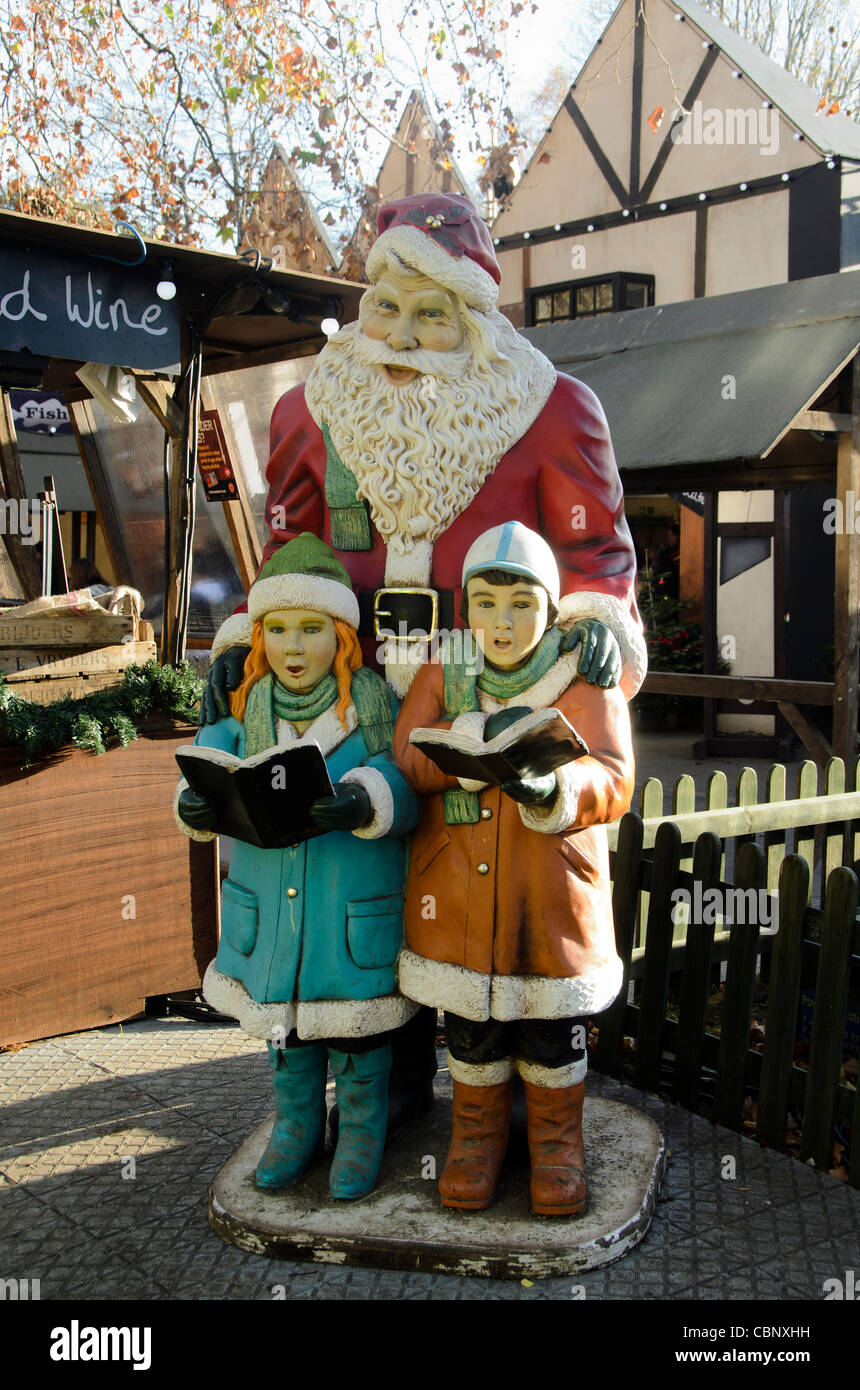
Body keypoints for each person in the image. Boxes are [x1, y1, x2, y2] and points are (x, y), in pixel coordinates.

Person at [198, 192, 647, 1134]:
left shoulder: (555, 409)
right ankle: (385, 1098)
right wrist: (250, 631)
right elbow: (291, 550)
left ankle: (516, 1107)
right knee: (362, 878)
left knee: (488, 879)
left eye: (430, 313)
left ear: (475, 316)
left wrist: (598, 619)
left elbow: (597, 554)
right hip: (352, 689)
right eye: (387, 309)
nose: (401, 335)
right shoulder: (311, 410)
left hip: (480, 682)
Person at [392, 522, 635, 1216]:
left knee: (551, 1030)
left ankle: (558, 1146)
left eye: (522, 603)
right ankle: (476, 1140)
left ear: (551, 608)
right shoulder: (446, 668)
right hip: (459, 892)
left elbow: (614, 776)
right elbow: (408, 753)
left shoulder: (584, 672)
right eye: (487, 602)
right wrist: (458, 751)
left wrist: (555, 788)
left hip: (547, 890)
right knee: (471, 1026)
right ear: (465, 608)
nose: (503, 621)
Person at [175, 533, 417, 1200]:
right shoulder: (244, 710)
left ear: (340, 637)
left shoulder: (368, 707)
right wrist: (196, 801)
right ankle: (295, 1125)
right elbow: (207, 762)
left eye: (311, 629)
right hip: (271, 917)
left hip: (347, 913)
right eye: (277, 630)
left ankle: (361, 1132)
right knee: (288, 1035)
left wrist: (367, 798)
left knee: (359, 1037)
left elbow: (404, 777)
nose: (292, 647)